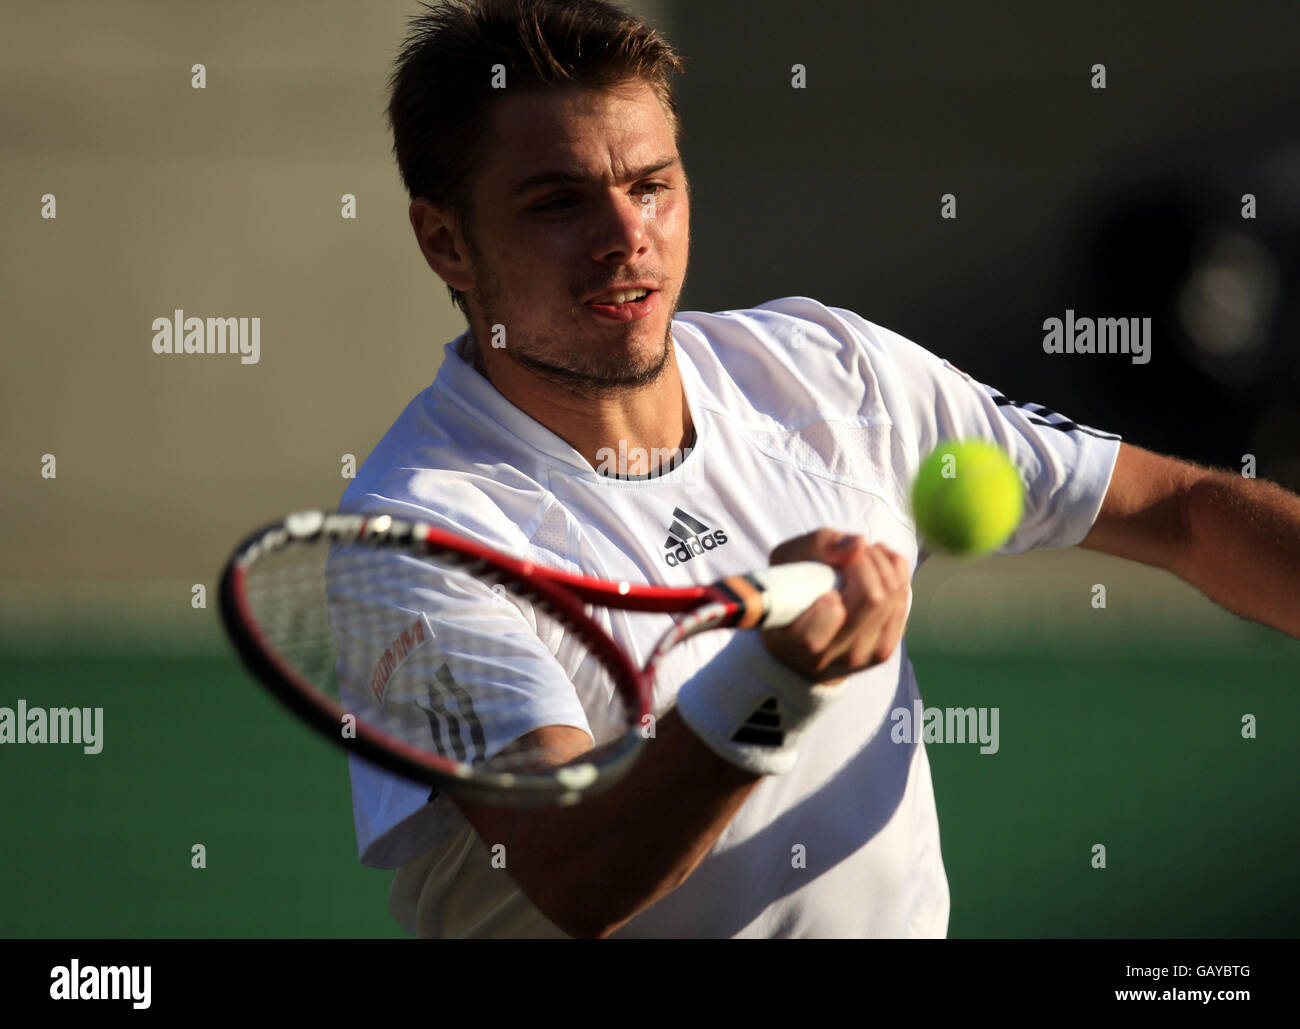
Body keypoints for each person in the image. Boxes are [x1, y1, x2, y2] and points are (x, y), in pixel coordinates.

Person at [337, 0, 1300, 938]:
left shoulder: (836, 369)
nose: (628, 234)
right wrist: (776, 680)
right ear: (446, 241)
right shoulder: (419, 538)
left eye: (652, 185)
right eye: (559, 202)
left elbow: (1183, 511)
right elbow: (573, 870)